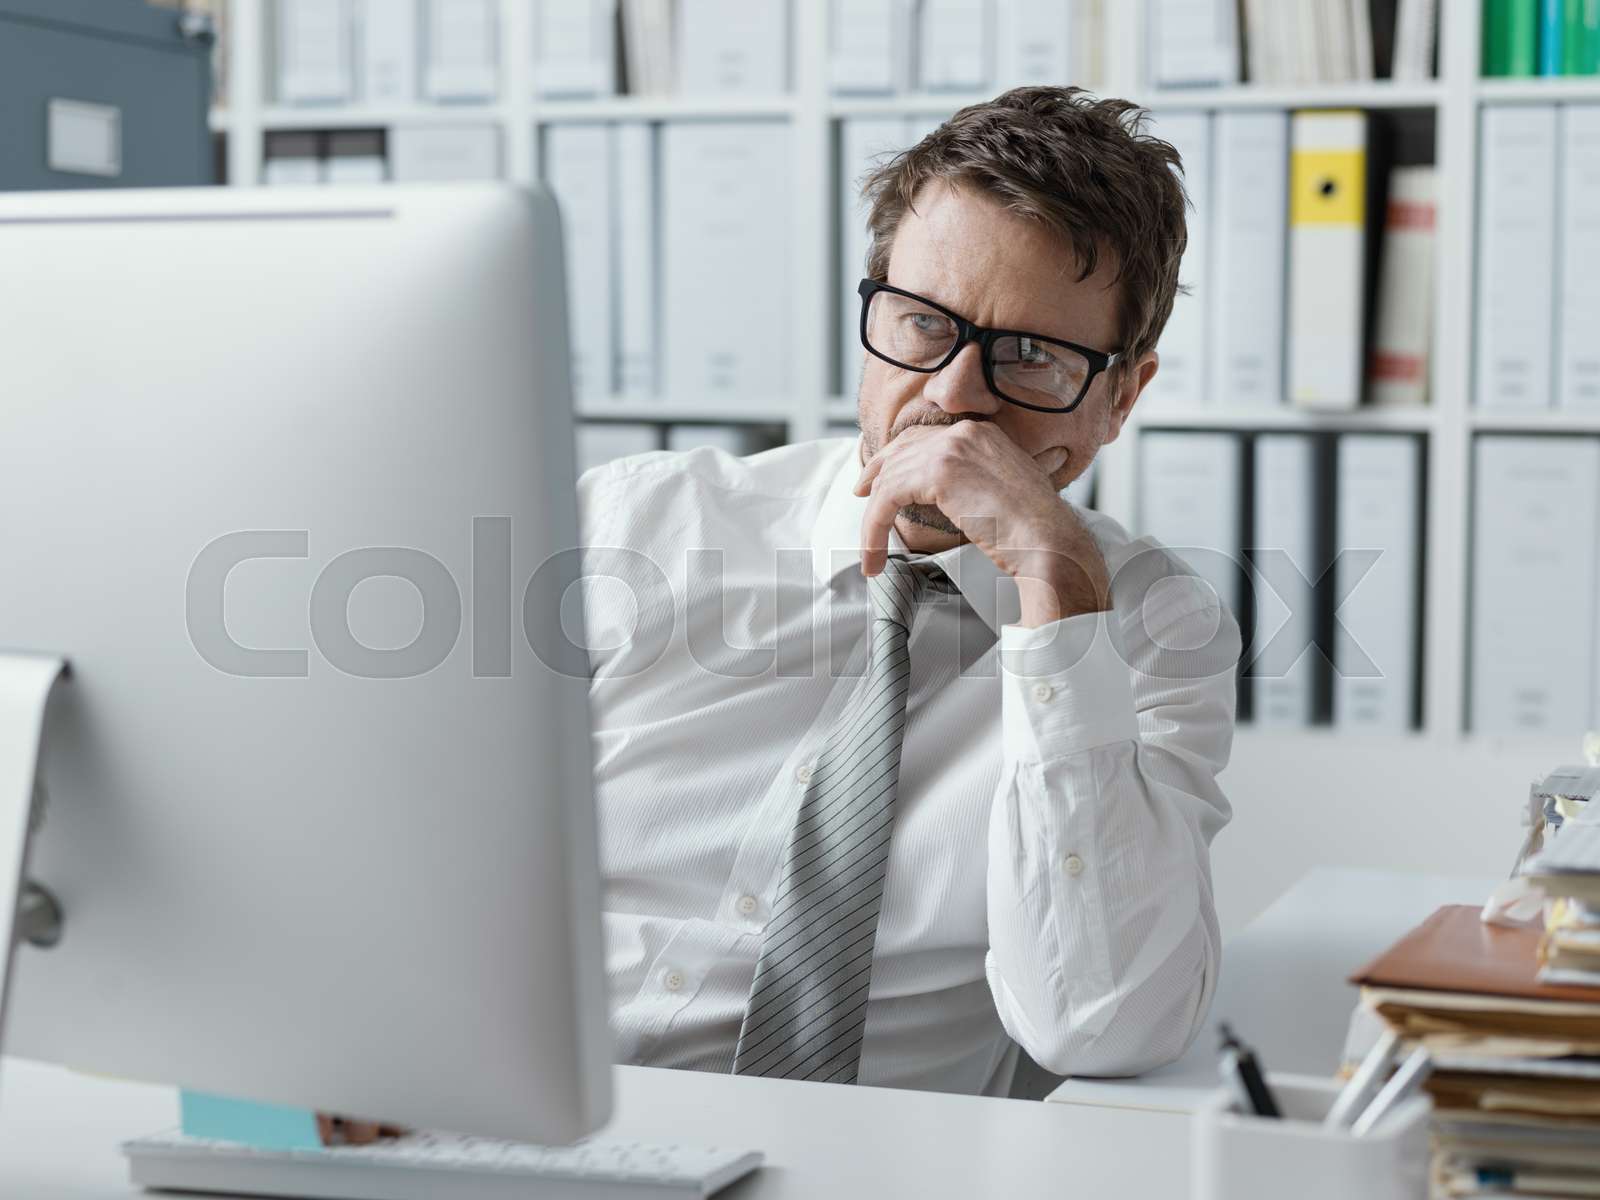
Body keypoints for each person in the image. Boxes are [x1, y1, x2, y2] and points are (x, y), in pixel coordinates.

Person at [580, 87, 1240, 1097]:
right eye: (923, 324)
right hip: (536, 1124)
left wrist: (1057, 598)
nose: (953, 395)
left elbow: (1103, 1028)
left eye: (1030, 355)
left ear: (1119, 397)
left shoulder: (1151, 630)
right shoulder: (636, 527)